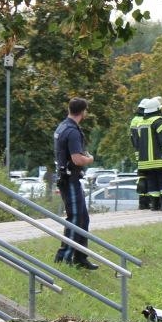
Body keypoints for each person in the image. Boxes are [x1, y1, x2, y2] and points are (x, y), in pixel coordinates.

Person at [53, 97, 98, 270]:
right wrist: (90, 159)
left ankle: (80, 256)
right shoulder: (72, 131)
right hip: (69, 179)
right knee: (75, 217)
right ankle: (64, 256)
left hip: (66, 177)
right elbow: (77, 159)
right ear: (83, 111)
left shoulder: (62, 126)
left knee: (83, 217)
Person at [137, 98, 162, 211]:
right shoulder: (159, 121)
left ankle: (154, 206)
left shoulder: (141, 123)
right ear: (157, 109)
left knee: (152, 182)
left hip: (145, 162)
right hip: (159, 159)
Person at [130, 99, 152, 210]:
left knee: (142, 176)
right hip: (147, 153)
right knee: (150, 176)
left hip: (138, 152)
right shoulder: (144, 120)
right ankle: (148, 202)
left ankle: (142, 202)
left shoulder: (134, 120)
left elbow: (133, 139)